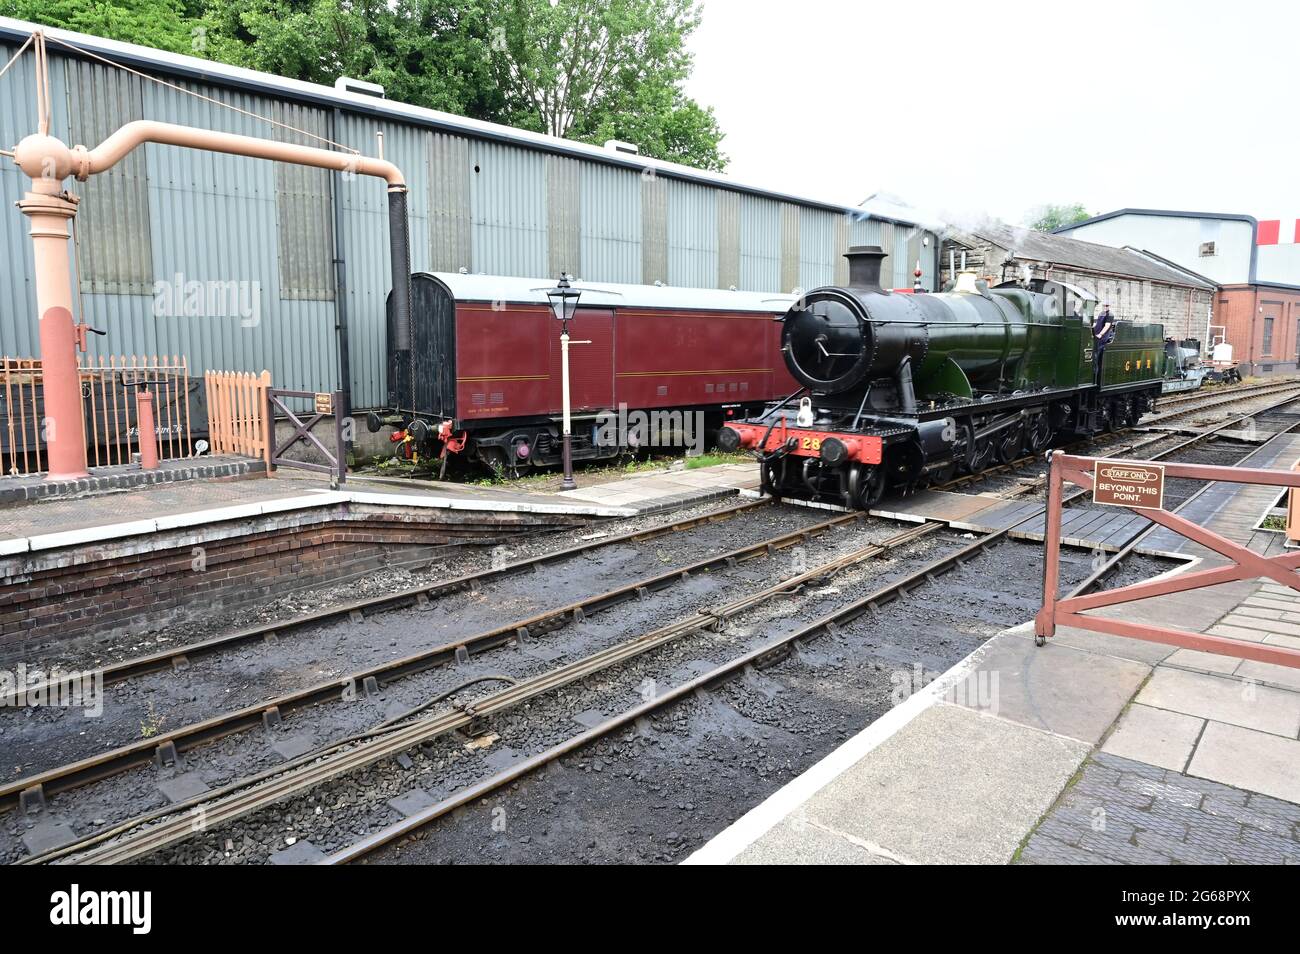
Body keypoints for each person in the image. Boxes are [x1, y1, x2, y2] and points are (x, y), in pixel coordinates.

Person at [1093, 303, 1116, 378]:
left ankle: (1095, 375)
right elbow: (1097, 324)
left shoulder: (1110, 315)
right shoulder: (1101, 313)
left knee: (1096, 356)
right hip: (1096, 336)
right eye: (1104, 305)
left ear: (1109, 306)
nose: (1105, 307)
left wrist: (1100, 334)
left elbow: (1107, 326)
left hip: (1102, 337)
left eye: (1107, 305)